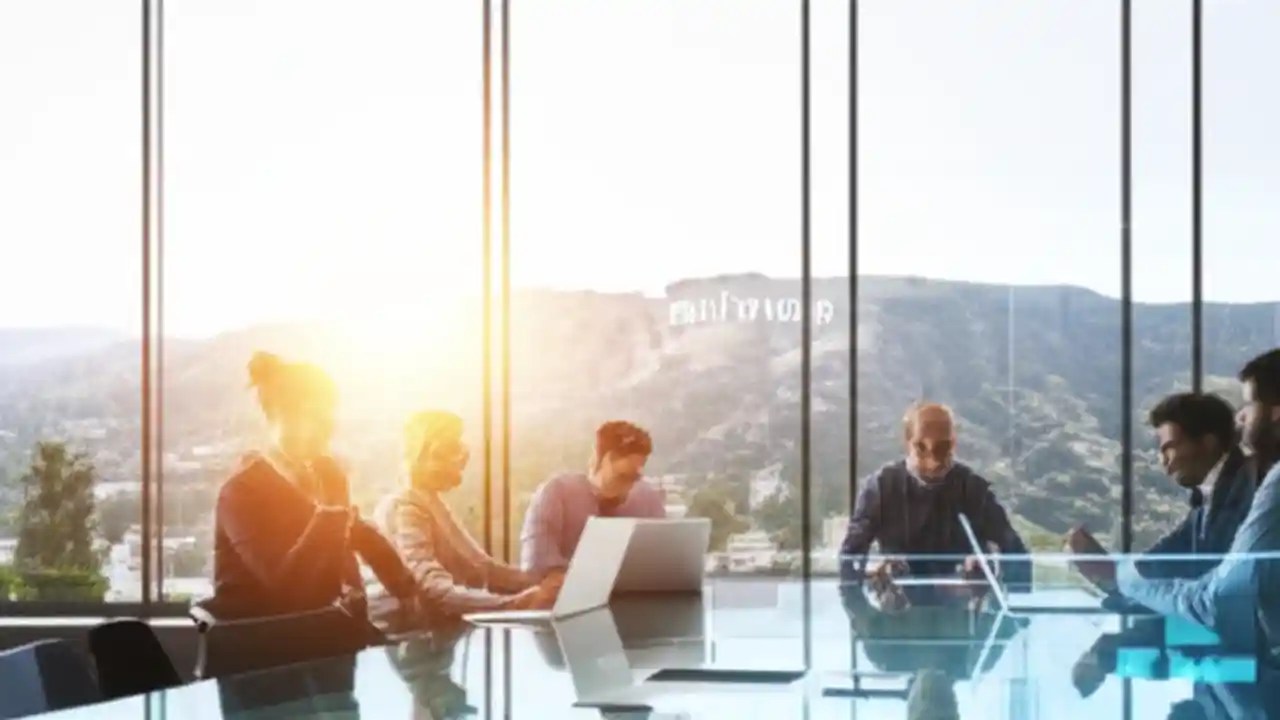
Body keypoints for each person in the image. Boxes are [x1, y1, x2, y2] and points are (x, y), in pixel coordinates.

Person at [212, 351, 417, 625]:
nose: (327, 428)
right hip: (267, 651)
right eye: (314, 417)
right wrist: (333, 508)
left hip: (330, 640)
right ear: (277, 415)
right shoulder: (241, 492)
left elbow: (362, 535)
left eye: (329, 417)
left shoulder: (314, 478)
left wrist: (408, 591)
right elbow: (294, 592)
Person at [1107, 349, 1280, 653]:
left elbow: (1220, 599)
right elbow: (1159, 565)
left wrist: (1126, 581)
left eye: (1250, 404)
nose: (1240, 417)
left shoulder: (1262, 482)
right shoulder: (1207, 501)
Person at [1067, 392, 1256, 591]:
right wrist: (1114, 574)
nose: (1164, 460)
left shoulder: (1247, 489)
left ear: (1208, 443)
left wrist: (1111, 576)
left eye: (1170, 448)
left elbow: (1209, 571)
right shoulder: (1208, 496)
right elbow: (1165, 558)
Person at [378, 410, 557, 617]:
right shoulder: (407, 509)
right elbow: (433, 588)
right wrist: (514, 604)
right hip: (418, 640)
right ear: (425, 453)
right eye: (452, 448)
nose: (461, 457)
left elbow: (487, 570)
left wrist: (542, 581)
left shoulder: (431, 502)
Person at [841, 403, 1030, 590]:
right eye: (921, 448)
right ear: (907, 444)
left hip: (963, 611)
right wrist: (874, 571)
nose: (933, 462)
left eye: (943, 448)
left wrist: (992, 567)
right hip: (898, 609)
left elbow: (1016, 554)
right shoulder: (881, 487)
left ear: (954, 444)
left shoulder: (974, 489)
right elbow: (850, 558)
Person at [520, 420, 665, 579]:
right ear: (600, 460)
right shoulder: (556, 494)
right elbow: (537, 569)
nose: (628, 487)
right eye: (622, 477)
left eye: (635, 478)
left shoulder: (648, 499)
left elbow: (664, 563)